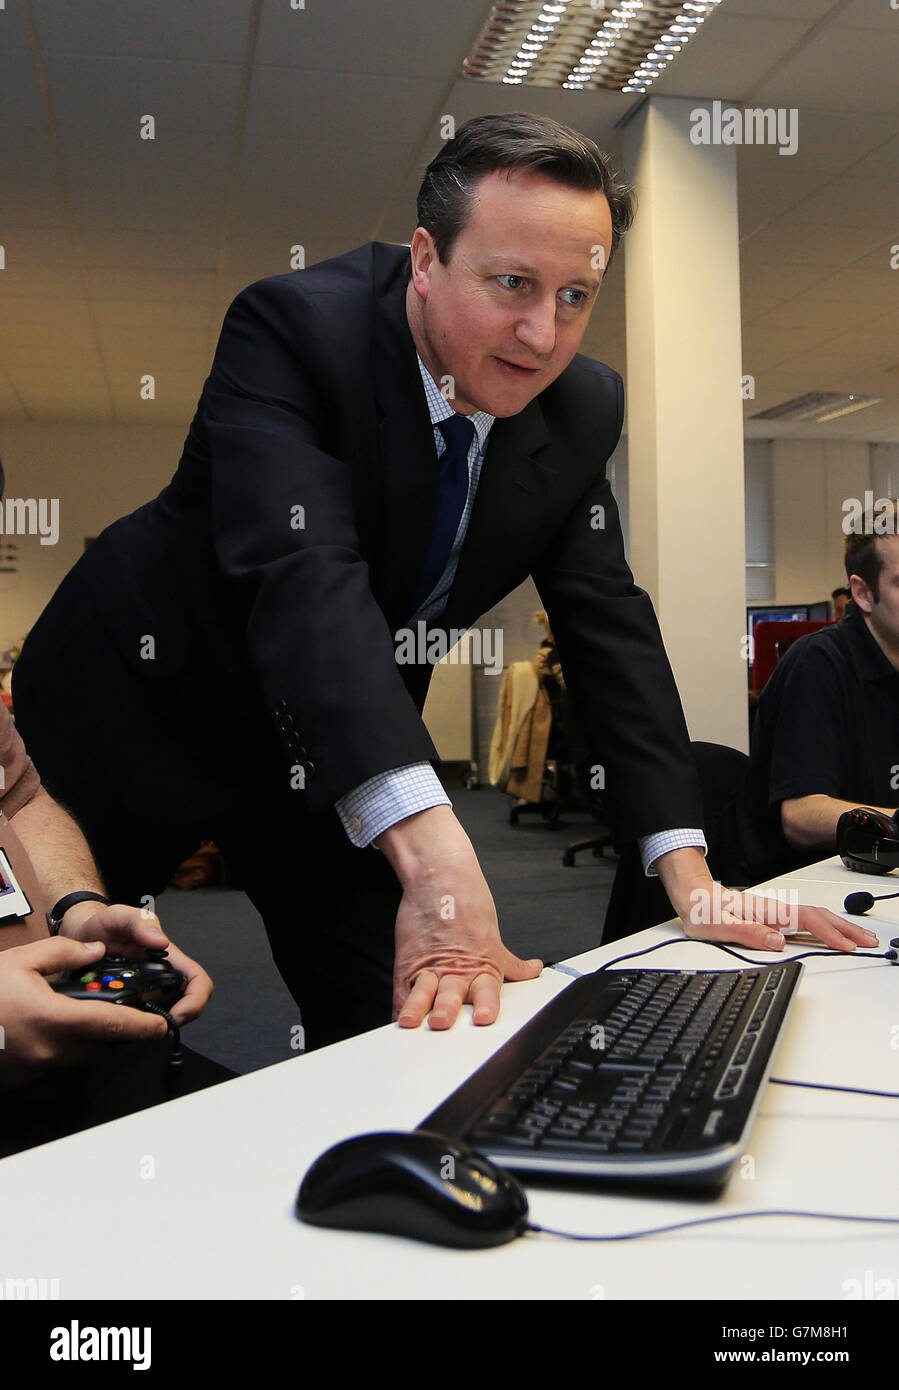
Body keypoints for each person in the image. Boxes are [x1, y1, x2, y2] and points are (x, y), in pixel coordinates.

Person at [13, 114, 869, 1052]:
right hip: (141, 703)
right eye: (511, 284)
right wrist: (437, 844)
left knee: (408, 1002)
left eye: (577, 294)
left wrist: (689, 870)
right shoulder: (296, 329)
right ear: (425, 259)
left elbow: (607, 625)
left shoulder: (578, 406)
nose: (543, 334)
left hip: (337, 739)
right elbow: (307, 582)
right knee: (67, 1005)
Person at [737, 513, 899, 883]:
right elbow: (801, 816)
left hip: (879, 875)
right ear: (863, 593)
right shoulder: (818, 664)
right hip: (806, 888)